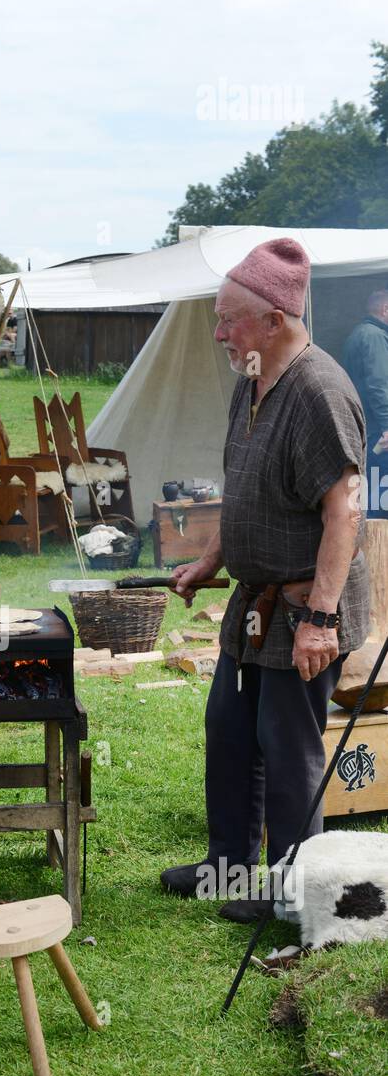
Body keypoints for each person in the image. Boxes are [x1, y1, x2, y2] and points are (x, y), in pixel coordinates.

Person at [160, 238, 370, 923]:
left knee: (286, 752)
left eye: (228, 319)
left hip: (302, 607)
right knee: (229, 732)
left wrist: (321, 620)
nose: (219, 333)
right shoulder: (250, 380)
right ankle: (227, 867)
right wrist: (211, 560)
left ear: (274, 319)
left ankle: (292, 890)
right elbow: (242, 486)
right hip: (254, 605)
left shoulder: (319, 392)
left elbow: (344, 510)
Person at [342, 289, 388, 519]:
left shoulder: (358, 334)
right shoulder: (374, 336)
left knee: (372, 492)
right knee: (381, 496)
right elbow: (379, 385)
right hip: (379, 434)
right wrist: (387, 425)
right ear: (385, 309)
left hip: (367, 431)